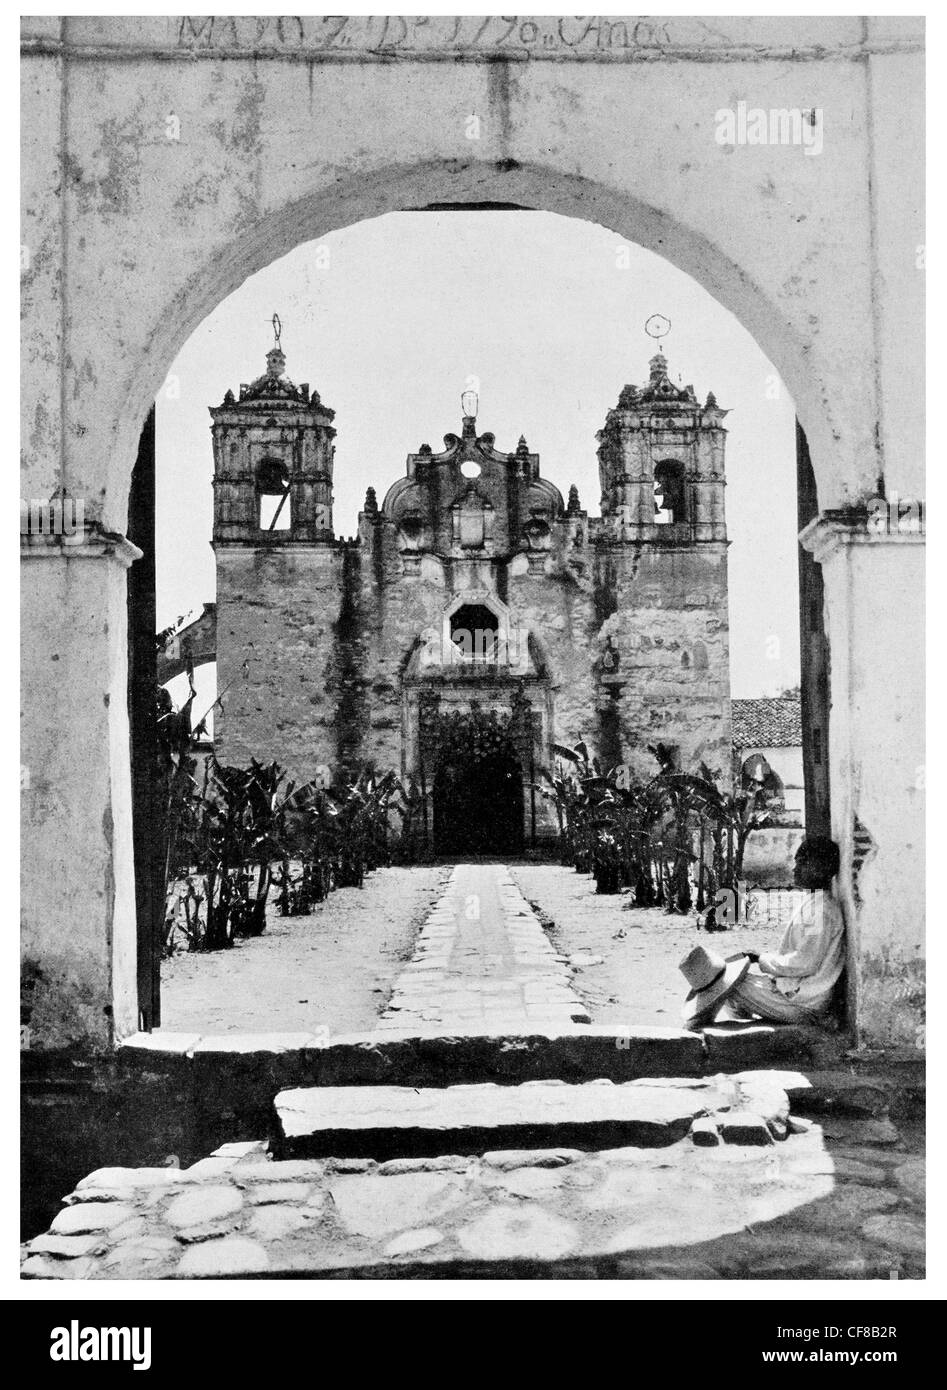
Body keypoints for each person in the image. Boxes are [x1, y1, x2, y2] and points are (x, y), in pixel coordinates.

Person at [681, 836, 845, 1027]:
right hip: (794, 992)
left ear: (820, 868)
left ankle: (723, 1029)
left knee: (725, 985)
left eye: (801, 863)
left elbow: (805, 963)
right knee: (729, 982)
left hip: (804, 1002)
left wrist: (761, 959)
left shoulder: (821, 911)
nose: (795, 869)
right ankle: (746, 1027)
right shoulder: (814, 902)